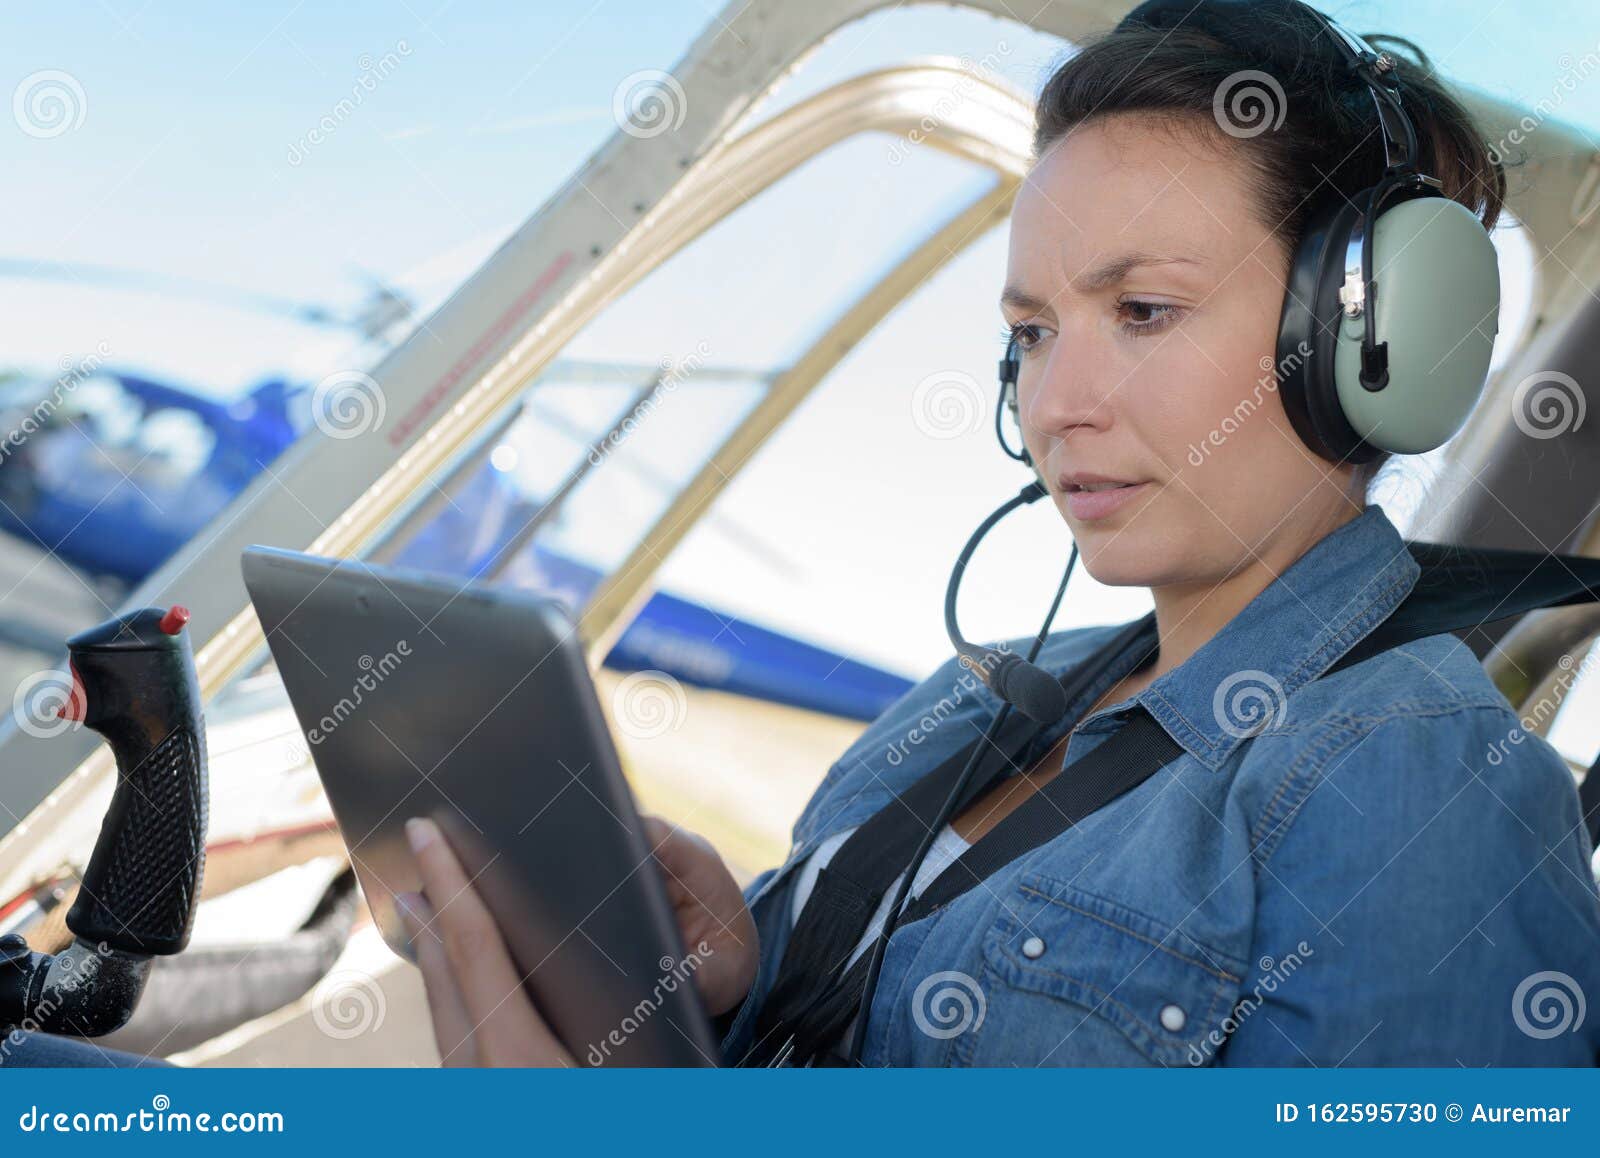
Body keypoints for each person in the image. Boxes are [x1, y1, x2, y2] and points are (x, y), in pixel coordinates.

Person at [402, 0, 1600, 1067]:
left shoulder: (1420, 786)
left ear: (1361, 346)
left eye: (1141, 311)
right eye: (1031, 331)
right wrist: (737, 972)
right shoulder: (967, 701)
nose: (1056, 403)